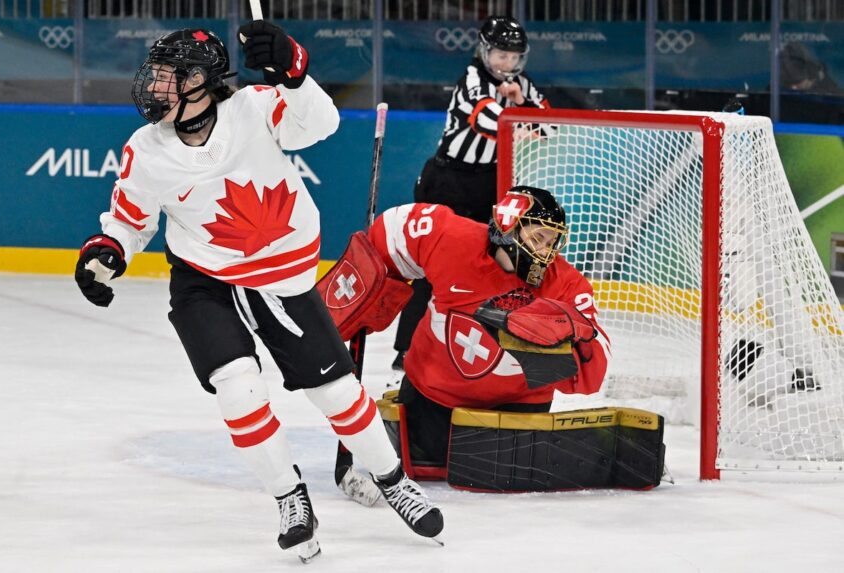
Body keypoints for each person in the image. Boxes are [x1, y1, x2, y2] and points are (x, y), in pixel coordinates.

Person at [73, 24, 443, 562]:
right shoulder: (145, 150)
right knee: (237, 388)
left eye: (167, 78)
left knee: (337, 392)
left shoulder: (255, 108)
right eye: (153, 76)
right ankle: (291, 498)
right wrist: (107, 251)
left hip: (282, 278)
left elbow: (320, 123)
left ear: (200, 81)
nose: (153, 88)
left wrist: (294, 72)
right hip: (204, 282)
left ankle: (392, 480)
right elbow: (128, 220)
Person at [367, 187, 610, 466]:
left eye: (552, 242)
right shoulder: (451, 237)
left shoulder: (566, 284)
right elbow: (389, 230)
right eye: (539, 238)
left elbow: (592, 376)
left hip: (516, 415)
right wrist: (371, 286)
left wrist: (574, 333)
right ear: (510, 225)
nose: (546, 252)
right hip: (432, 403)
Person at [392, 15, 551, 375]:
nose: (506, 63)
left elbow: (550, 124)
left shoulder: (522, 84)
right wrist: (519, 112)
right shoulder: (471, 78)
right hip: (447, 179)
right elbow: (488, 120)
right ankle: (406, 348)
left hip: (487, 184)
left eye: (513, 57)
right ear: (485, 51)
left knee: (487, 265)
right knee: (430, 267)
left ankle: (474, 341)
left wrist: (522, 101)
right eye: (500, 55)